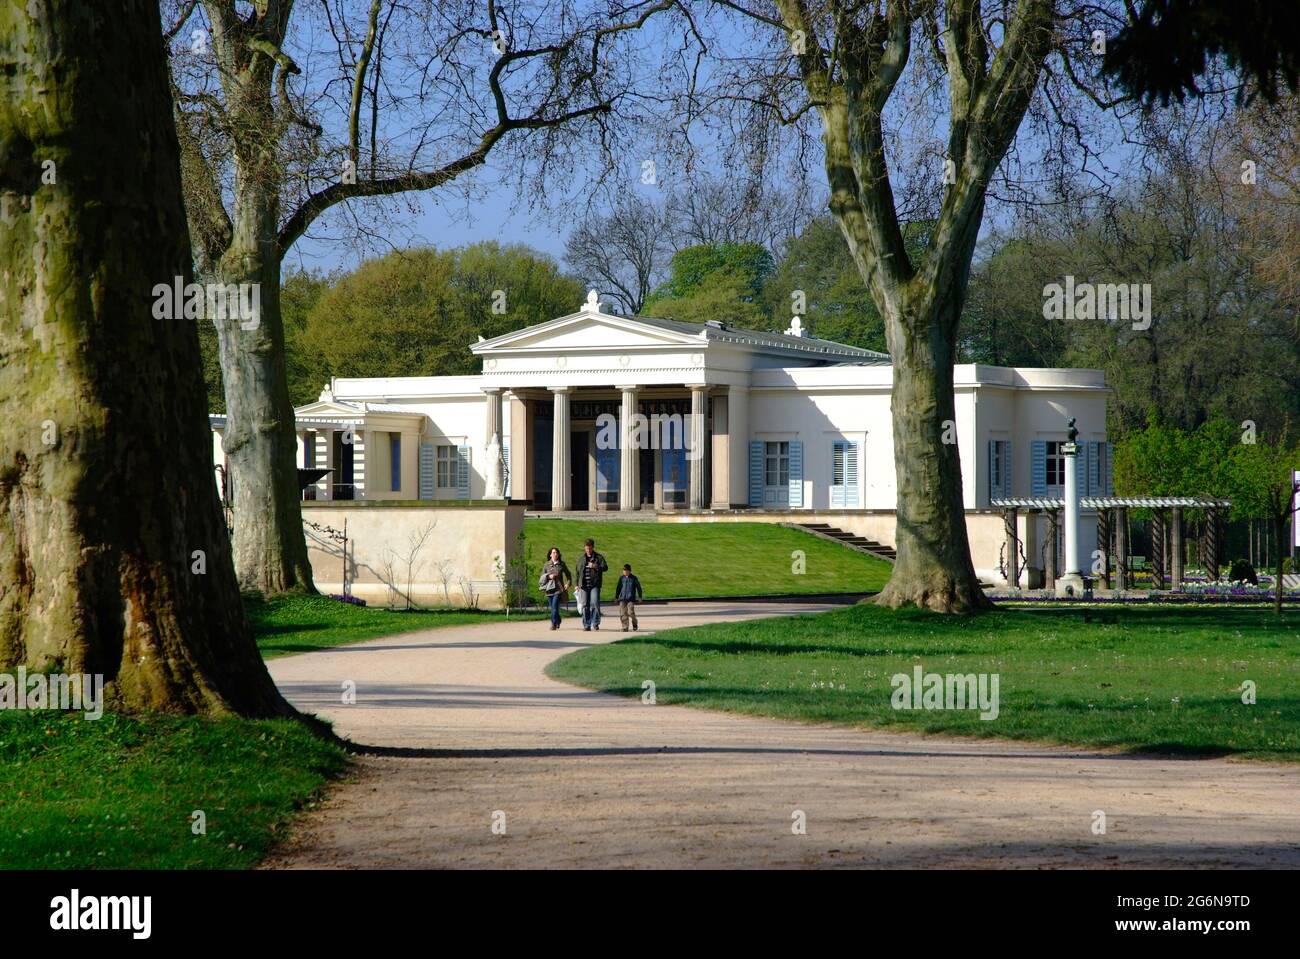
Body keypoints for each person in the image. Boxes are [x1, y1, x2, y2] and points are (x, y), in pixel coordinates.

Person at [575, 537, 608, 631]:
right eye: (586, 548)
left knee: (594, 603)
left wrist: (595, 566)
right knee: (585, 605)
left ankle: (595, 622)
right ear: (584, 548)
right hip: (584, 585)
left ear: (593, 547)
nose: (588, 549)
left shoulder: (598, 557)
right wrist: (577, 584)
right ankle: (586, 624)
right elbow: (577, 572)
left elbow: (605, 567)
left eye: (590, 548)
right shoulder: (581, 559)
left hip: (594, 585)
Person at [538, 547, 572, 630]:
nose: (555, 554)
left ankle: (553, 624)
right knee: (553, 608)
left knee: (554, 607)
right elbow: (542, 576)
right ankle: (558, 620)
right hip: (549, 589)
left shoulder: (562, 564)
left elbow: (568, 575)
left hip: (558, 589)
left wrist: (568, 584)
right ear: (550, 555)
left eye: (556, 552)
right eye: (553, 552)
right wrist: (549, 576)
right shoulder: (546, 565)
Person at [615, 563, 643, 632]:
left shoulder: (634, 578)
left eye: (626, 570)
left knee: (631, 612)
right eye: (624, 570)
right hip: (622, 599)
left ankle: (634, 623)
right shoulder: (621, 578)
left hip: (630, 599)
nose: (625, 572)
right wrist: (616, 597)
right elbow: (618, 588)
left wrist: (640, 596)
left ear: (630, 571)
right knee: (623, 613)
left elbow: (638, 588)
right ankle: (625, 627)